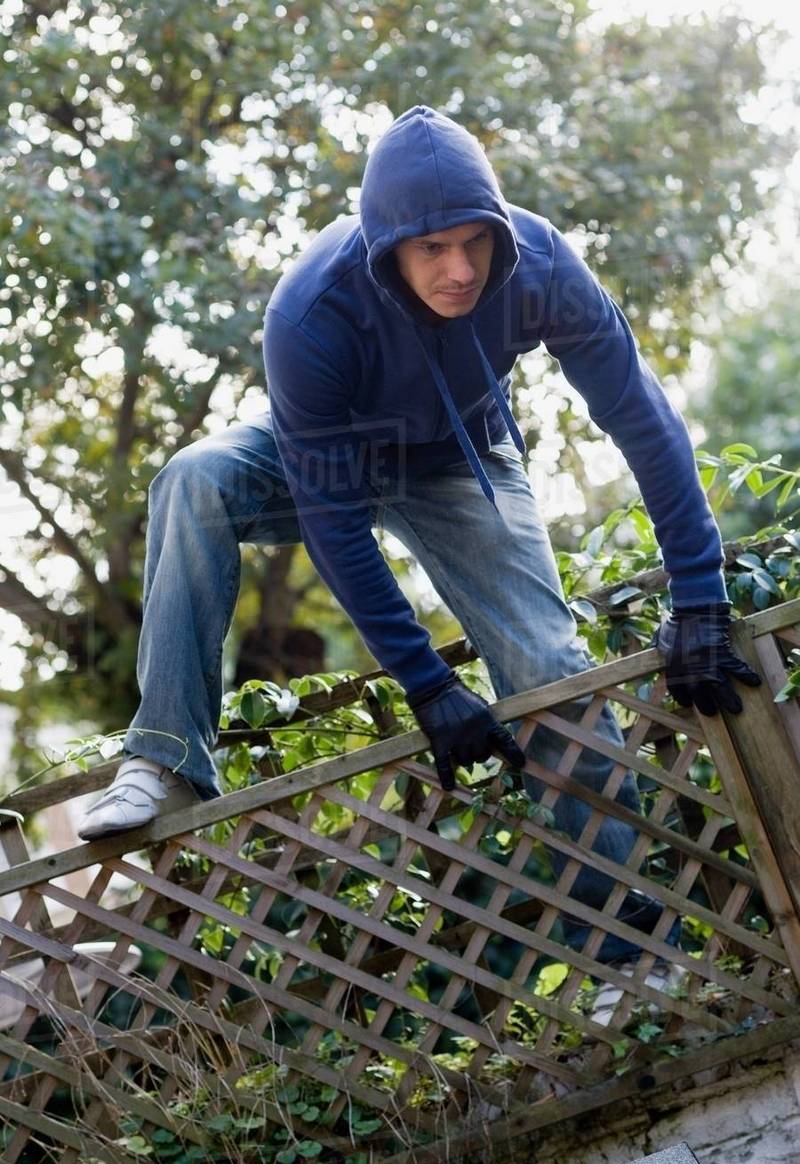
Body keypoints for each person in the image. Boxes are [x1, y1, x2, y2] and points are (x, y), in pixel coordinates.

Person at [78, 107, 760, 966]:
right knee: (194, 481)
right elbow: (333, 523)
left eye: (475, 242)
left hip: (460, 453)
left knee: (555, 675)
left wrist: (699, 596)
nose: (461, 268)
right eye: (432, 249)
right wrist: (427, 683)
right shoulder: (312, 310)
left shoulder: (540, 264)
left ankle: (627, 959)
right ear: (387, 247)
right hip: (332, 452)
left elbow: (642, 418)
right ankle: (166, 757)